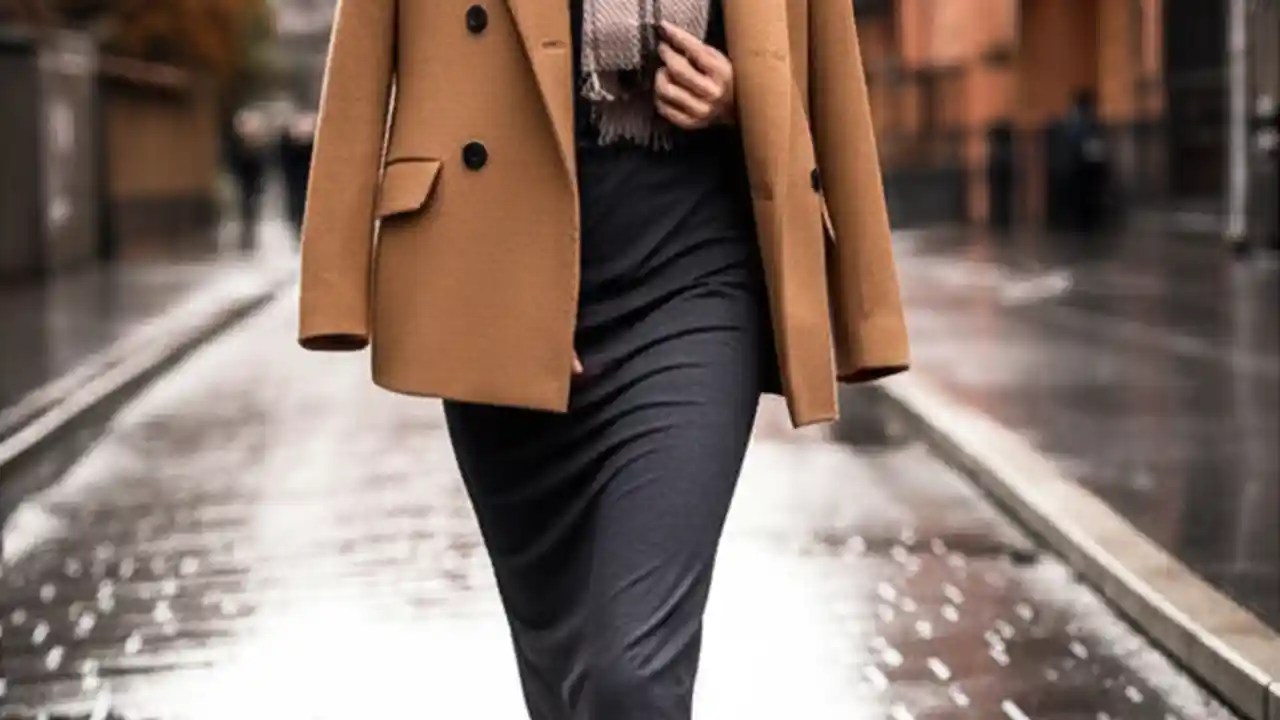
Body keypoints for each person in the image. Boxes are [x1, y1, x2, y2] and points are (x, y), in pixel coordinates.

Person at [296, 1, 909, 717]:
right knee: (564, 676)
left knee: (633, 676)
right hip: (498, 284)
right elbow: (364, 52)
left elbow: (828, 61)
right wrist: (336, 282)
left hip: (694, 284)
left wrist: (743, 100)